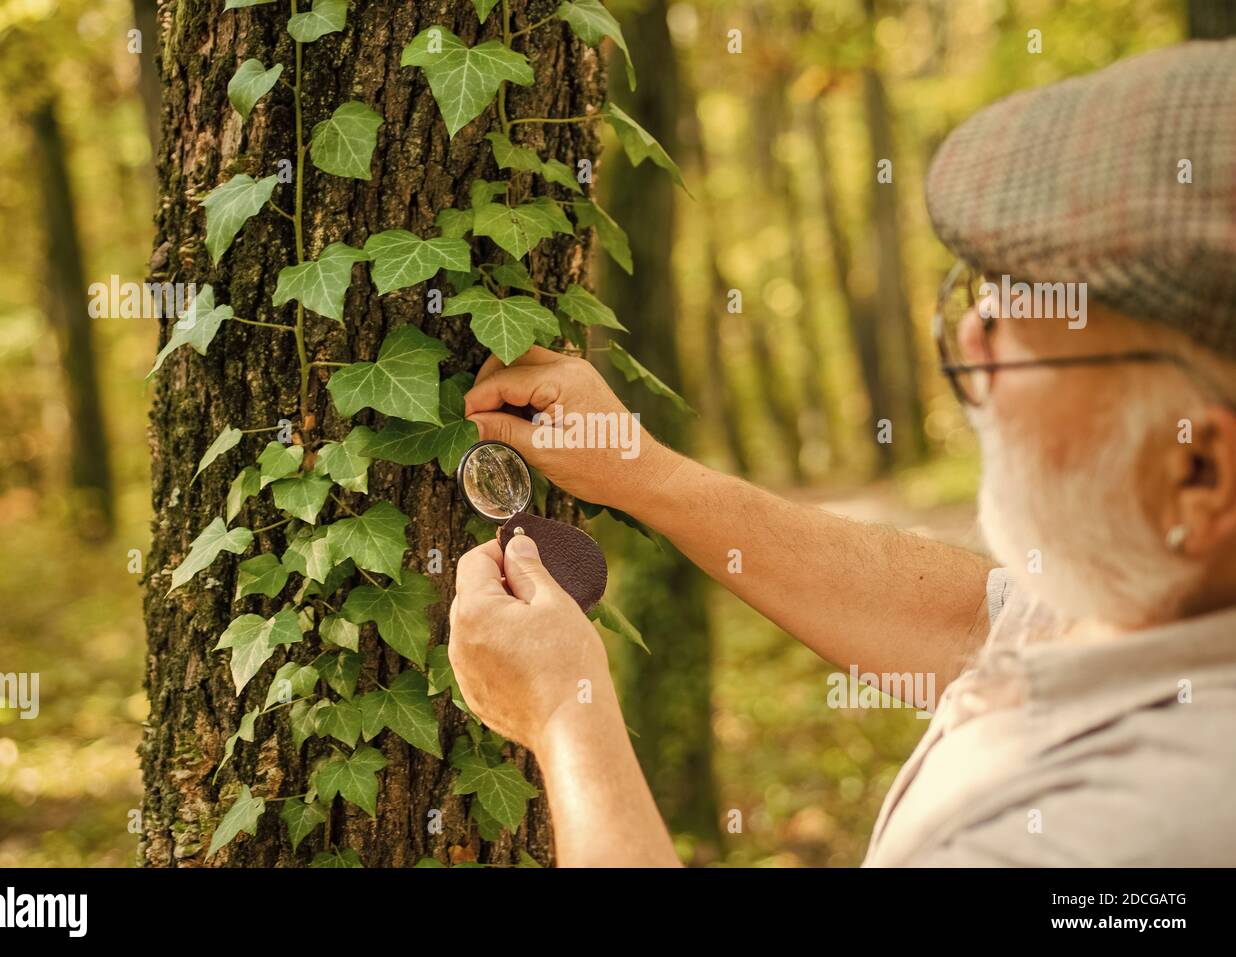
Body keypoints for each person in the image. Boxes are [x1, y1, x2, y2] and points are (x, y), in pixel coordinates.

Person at [446, 39, 1236, 867]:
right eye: (982, 289)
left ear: (1198, 470)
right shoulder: (1162, 588)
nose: (973, 332)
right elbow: (976, 623)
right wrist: (639, 469)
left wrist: (569, 720)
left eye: (1036, 318)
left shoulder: (1140, 831)